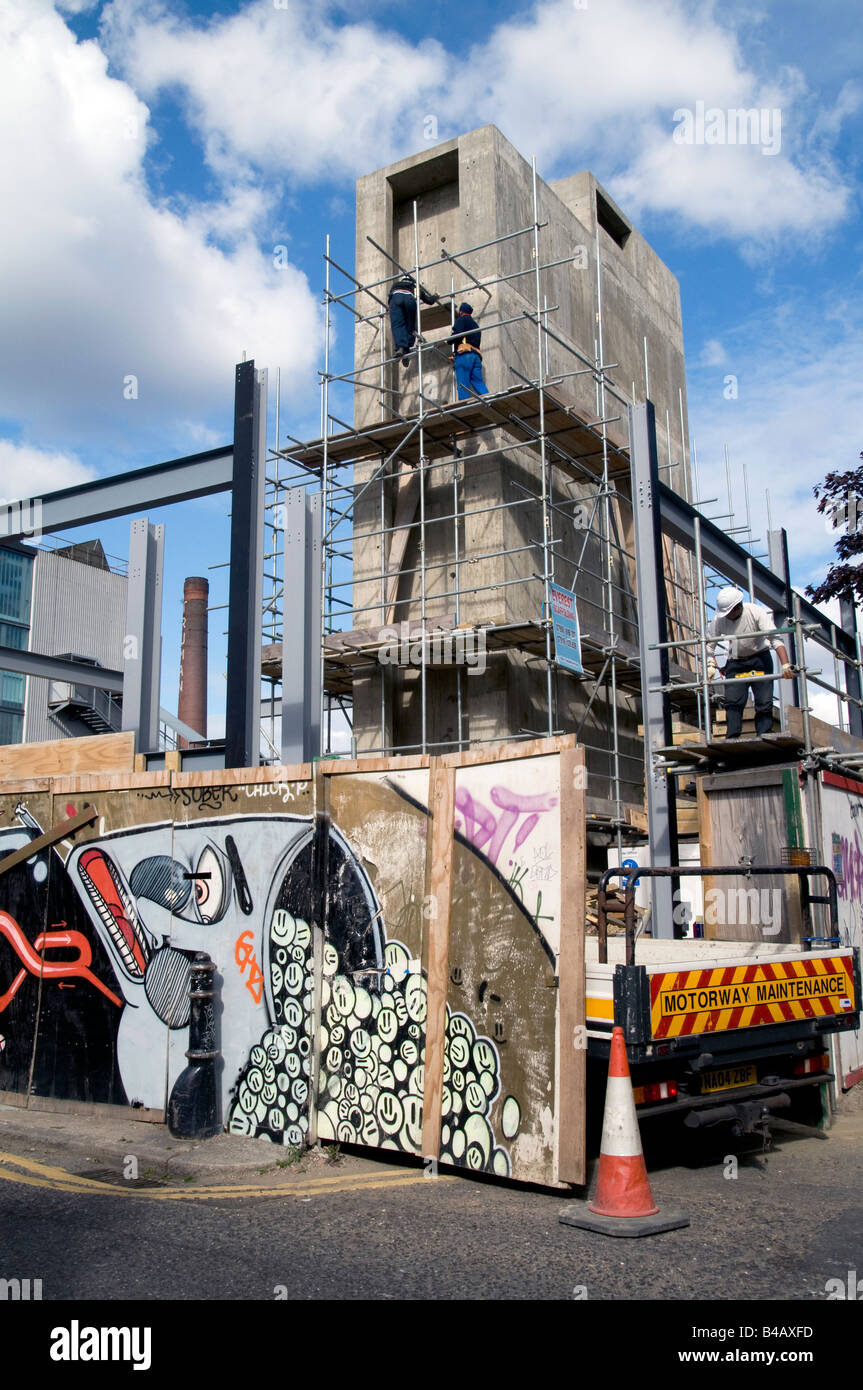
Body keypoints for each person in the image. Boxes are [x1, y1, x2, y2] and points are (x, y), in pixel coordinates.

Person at [706, 586, 794, 738]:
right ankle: (732, 739)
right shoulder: (719, 620)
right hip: (736, 663)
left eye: (729, 612)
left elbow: (775, 639)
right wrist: (710, 664)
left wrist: (785, 664)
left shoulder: (755, 611)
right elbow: (709, 645)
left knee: (764, 702)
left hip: (760, 659)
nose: (727, 616)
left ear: (738, 606)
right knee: (733, 703)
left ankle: (764, 736)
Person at [388, 274, 439, 366]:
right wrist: (436, 296)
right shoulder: (415, 287)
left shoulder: (395, 285)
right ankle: (406, 350)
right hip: (409, 299)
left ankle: (401, 348)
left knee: (397, 325)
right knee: (410, 326)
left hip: (396, 298)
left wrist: (392, 308)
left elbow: (390, 298)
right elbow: (429, 300)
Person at [448, 302, 488, 399]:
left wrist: (450, 341)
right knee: (478, 381)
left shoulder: (461, 320)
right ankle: (489, 399)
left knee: (463, 383)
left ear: (461, 311)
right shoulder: (475, 325)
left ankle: (463, 405)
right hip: (476, 356)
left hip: (465, 355)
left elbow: (458, 334)